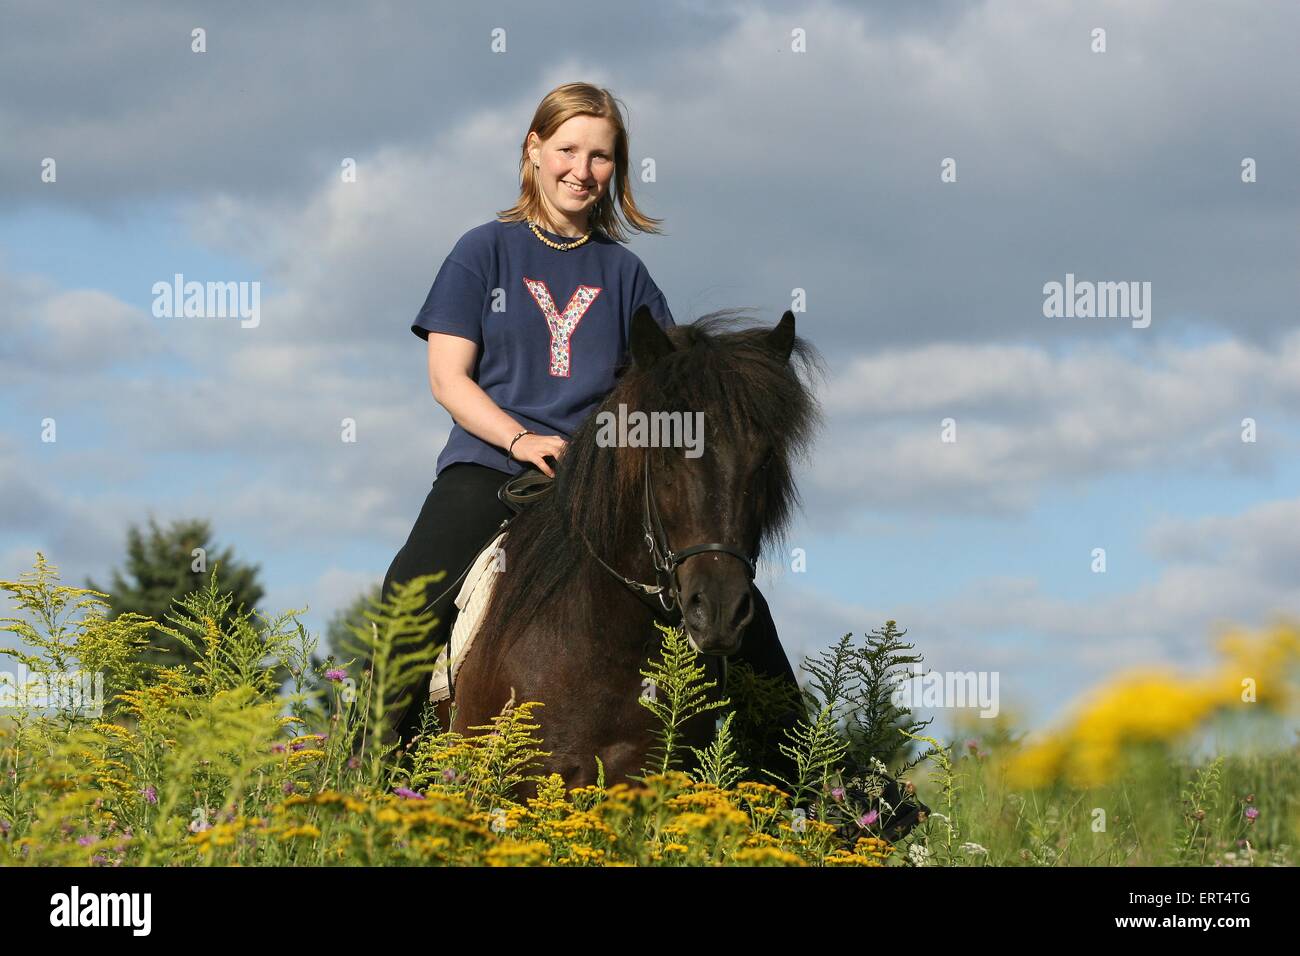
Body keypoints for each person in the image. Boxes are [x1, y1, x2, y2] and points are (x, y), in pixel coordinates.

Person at [381, 82, 799, 751]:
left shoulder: (626, 274)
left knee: (727, 588)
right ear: (535, 149)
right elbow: (447, 379)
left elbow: (671, 387)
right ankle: (373, 761)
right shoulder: (482, 251)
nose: (583, 169)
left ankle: (812, 775)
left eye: (601, 156)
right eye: (569, 149)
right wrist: (520, 438)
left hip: (600, 479)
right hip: (491, 465)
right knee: (410, 587)